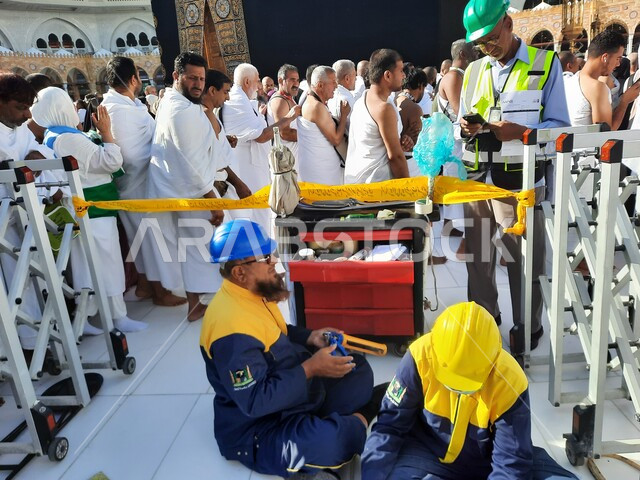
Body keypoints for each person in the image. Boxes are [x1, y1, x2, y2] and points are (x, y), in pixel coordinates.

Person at [201, 219, 387, 477]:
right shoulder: (230, 329)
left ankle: (329, 423)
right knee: (332, 442)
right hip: (260, 427)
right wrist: (311, 368)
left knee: (356, 368)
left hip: (291, 394)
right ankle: (360, 417)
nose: (273, 263)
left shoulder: (247, 293)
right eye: (265, 258)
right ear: (239, 272)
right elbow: (255, 402)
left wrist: (311, 337)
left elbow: (279, 330)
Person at [458, 0, 571, 352]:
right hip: (477, 181)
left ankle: (527, 327)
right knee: (477, 258)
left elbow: (559, 129)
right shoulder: (475, 70)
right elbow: (461, 121)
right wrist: (465, 129)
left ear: (508, 23)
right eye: (481, 44)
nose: (488, 49)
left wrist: (521, 132)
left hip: (520, 183)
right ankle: (485, 318)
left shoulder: (545, 64)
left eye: (492, 39)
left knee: (523, 263)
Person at [362, 302, 579, 480]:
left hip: (491, 459)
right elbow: (389, 428)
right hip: (427, 454)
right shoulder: (419, 356)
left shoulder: (510, 380)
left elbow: (511, 463)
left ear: (493, 361)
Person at [30, 86, 146, 333]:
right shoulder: (68, 138)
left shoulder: (53, 135)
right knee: (109, 264)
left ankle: (86, 318)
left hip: (79, 211)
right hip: (95, 211)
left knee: (85, 267)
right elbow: (111, 161)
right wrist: (106, 133)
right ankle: (117, 317)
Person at [145, 52, 226, 321]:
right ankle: (198, 305)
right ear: (176, 76)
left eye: (201, 79)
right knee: (200, 248)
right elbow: (190, 161)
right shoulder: (181, 111)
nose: (198, 84)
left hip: (181, 188)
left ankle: (196, 303)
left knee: (195, 248)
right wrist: (211, 196)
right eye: (192, 78)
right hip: (191, 190)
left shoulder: (174, 103)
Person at [101, 56, 186, 307]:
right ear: (133, 79)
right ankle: (162, 291)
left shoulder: (130, 106)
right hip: (137, 185)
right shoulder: (116, 109)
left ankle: (147, 286)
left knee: (144, 239)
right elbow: (127, 154)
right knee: (153, 239)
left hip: (146, 183)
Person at [0, 73, 57, 350]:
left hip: (25, 218)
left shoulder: (20, 128)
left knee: (32, 283)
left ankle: (38, 343)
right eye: (20, 107)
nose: (27, 114)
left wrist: (37, 156)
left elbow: (37, 152)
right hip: (3, 222)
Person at [221, 63, 300, 232]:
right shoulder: (237, 101)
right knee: (255, 211)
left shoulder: (243, 100)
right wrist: (288, 118)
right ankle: (258, 252)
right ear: (247, 82)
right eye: (257, 82)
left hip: (252, 164)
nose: (259, 87)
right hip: (247, 167)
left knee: (260, 211)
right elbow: (262, 136)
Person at [344, 49, 413, 184]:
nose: (404, 75)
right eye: (400, 71)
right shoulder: (383, 108)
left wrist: (399, 141)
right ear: (387, 75)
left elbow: (373, 143)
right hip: (376, 187)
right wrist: (408, 190)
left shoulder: (363, 100)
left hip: (359, 182)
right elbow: (395, 157)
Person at [435, 39, 477, 254]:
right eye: (473, 50)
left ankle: (451, 238)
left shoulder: (458, 76)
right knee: (457, 192)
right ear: (463, 53)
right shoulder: (453, 76)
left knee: (456, 192)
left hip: (456, 143)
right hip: (454, 144)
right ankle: (458, 244)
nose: (477, 53)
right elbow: (462, 112)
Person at [200, 69, 252, 213]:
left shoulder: (210, 113)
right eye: (225, 92)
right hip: (222, 186)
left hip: (227, 184)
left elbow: (214, 145)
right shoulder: (204, 114)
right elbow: (216, 159)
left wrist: (224, 139)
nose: (228, 97)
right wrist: (238, 183)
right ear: (212, 90)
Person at [566, 30, 640, 130]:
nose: (618, 64)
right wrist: (625, 101)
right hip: (585, 145)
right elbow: (605, 134)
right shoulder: (597, 87)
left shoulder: (570, 80)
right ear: (605, 57)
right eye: (618, 58)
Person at [298, 66, 349, 185]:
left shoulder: (310, 100)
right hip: (321, 170)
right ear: (320, 85)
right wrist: (344, 116)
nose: (336, 86)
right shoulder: (316, 106)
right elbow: (336, 139)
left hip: (318, 166)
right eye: (333, 82)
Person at [266, 64, 300, 161]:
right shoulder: (280, 101)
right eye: (292, 80)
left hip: (294, 158)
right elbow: (285, 133)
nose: (296, 84)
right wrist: (311, 135)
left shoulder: (288, 98)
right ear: (281, 80)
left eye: (297, 80)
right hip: (288, 162)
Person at [327, 59, 357, 127]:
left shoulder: (329, 97)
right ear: (347, 78)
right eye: (355, 75)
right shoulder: (348, 101)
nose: (356, 79)